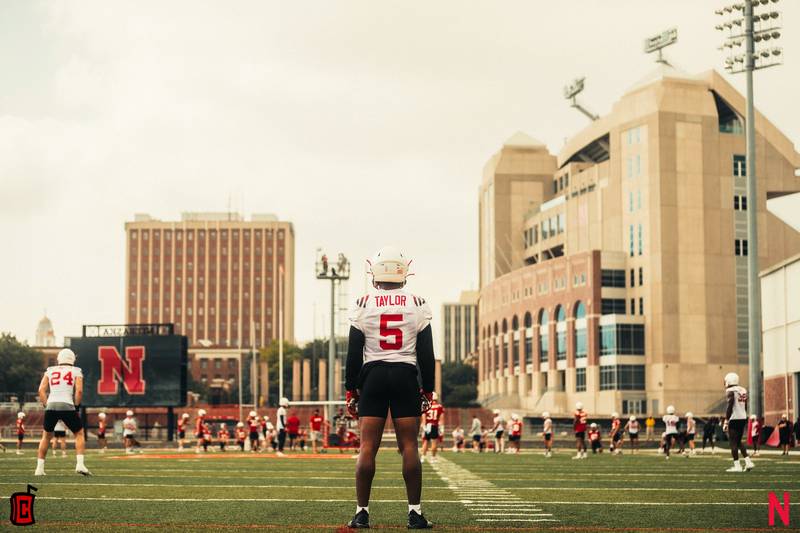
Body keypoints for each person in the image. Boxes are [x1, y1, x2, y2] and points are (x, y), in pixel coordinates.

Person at [343, 246, 434, 529]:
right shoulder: (417, 303)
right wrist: (427, 388)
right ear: (403, 272)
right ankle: (415, 513)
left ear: (375, 273)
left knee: (367, 446)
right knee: (409, 446)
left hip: (374, 376)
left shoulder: (362, 302)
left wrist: (351, 388)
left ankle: (362, 513)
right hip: (405, 374)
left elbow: (353, 352)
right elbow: (426, 353)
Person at [34, 348, 91, 476]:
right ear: (72, 359)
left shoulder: (50, 370)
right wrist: (76, 406)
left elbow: (41, 390)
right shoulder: (76, 371)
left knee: (46, 436)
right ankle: (80, 465)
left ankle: (39, 469)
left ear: (59, 358)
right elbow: (79, 391)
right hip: (67, 404)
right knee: (79, 433)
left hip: (51, 404)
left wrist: (46, 405)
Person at [722, 372, 754, 472]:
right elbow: (745, 405)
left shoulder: (730, 391)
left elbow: (730, 406)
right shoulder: (743, 390)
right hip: (742, 417)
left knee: (733, 443)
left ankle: (737, 466)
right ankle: (748, 462)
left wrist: (726, 421)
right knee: (738, 442)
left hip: (734, 418)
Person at [420, 392, 444, 463]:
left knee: (425, 442)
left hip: (427, 425)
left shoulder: (427, 406)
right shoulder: (439, 406)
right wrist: (441, 428)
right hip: (434, 425)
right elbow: (441, 419)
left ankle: (422, 457)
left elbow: (423, 417)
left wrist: (424, 426)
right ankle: (433, 458)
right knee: (434, 442)